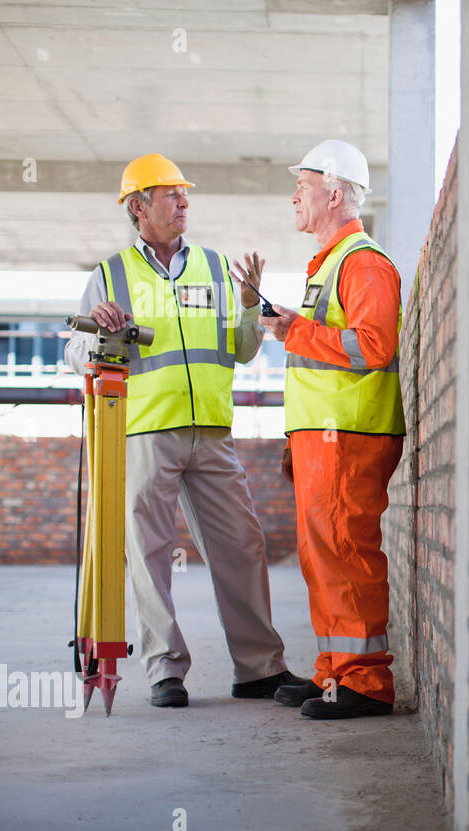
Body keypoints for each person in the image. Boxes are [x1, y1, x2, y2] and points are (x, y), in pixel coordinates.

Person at [65, 152, 310, 707]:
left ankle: (258, 669)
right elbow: (75, 352)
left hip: (213, 433)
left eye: (184, 194)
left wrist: (249, 308)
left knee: (242, 545)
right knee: (150, 551)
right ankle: (164, 670)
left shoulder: (216, 266)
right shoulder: (111, 275)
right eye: (171, 194)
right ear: (138, 207)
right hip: (146, 433)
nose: (184, 203)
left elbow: (243, 351)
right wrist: (105, 335)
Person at [258, 139, 404, 719]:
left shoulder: (363, 262)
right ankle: (333, 673)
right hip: (324, 435)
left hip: (350, 435)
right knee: (323, 558)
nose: (295, 194)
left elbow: (373, 345)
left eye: (305, 183)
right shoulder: (331, 264)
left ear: (336, 192)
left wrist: (294, 329)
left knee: (345, 553)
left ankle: (365, 683)